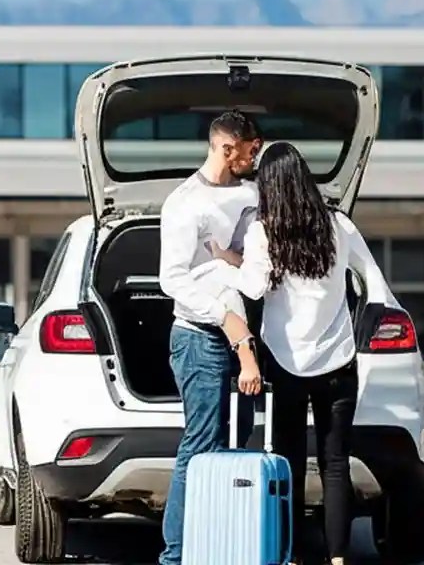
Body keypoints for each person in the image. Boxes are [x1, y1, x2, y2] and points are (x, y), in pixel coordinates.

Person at [208, 141, 386, 565]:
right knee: (335, 464)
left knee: (289, 461)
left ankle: (291, 554)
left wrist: (219, 260)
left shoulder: (263, 232)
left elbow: (253, 286)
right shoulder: (337, 225)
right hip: (339, 361)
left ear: (269, 184)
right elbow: (374, 281)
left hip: (287, 364)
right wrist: (366, 324)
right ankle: (338, 557)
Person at [157, 109, 265, 565]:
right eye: (250, 150)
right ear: (227, 148)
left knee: (234, 447)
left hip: (240, 333)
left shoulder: (249, 193)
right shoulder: (184, 203)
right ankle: (177, 556)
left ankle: (219, 545)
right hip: (199, 339)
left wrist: (230, 260)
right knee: (201, 448)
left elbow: (248, 256)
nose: (254, 156)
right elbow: (172, 280)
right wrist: (224, 317)